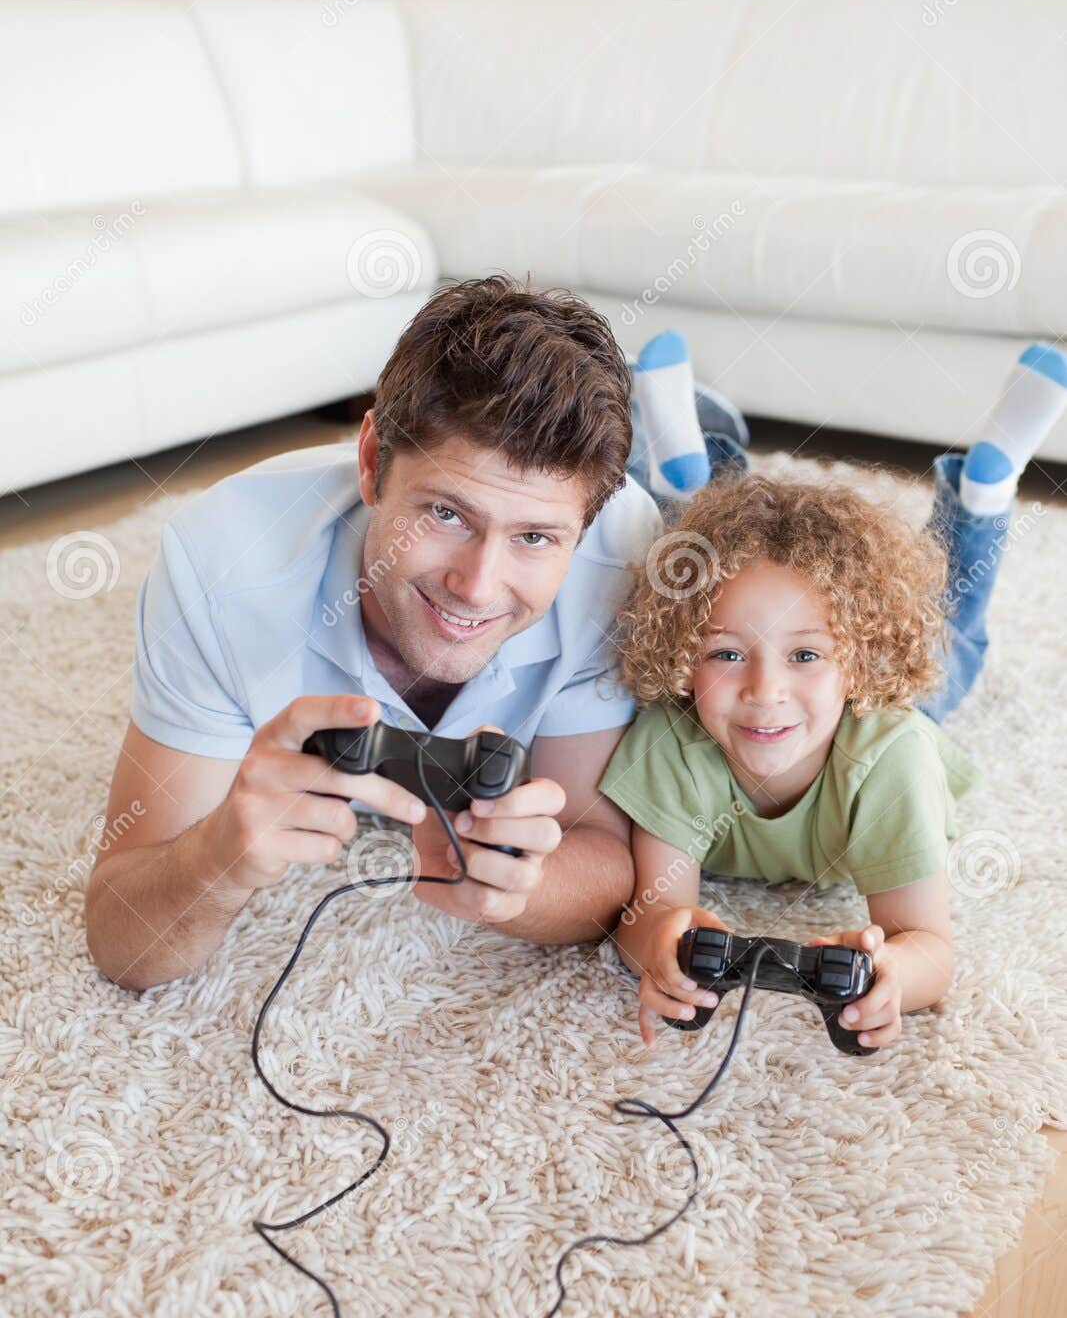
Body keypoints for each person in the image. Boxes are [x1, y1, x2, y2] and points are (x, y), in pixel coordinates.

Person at [86, 276, 665, 991]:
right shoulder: (220, 567)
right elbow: (120, 942)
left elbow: (609, 860)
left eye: (535, 537)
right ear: (369, 462)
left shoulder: (620, 558)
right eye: (446, 514)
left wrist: (524, 886)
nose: (477, 587)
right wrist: (217, 855)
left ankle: (693, 423)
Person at [600, 344, 1067, 1052]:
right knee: (706, 569)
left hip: (868, 729)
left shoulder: (890, 756)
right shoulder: (671, 742)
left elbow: (928, 948)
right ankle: (684, 483)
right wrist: (660, 940)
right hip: (817, 705)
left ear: (858, 663)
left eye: (806, 656)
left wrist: (892, 974)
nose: (765, 693)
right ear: (683, 661)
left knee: (954, 645)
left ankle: (983, 493)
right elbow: (650, 910)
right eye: (724, 654)